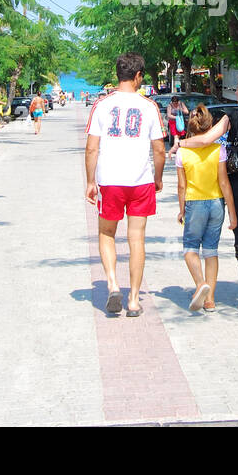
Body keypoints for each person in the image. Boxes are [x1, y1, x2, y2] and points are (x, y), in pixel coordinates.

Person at [85, 52, 165, 317]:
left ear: (117, 73)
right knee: (136, 239)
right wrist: (158, 178)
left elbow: (91, 149)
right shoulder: (149, 106)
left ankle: (112, 284)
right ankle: (133, 300)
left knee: (106, 233)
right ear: (139, 76)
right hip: (140, 181)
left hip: (110, 181)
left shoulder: (102, 106)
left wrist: (90, 181)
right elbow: (160, 150)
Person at [176, 105, 237, 312]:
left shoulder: (183, 152)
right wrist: (232, 213)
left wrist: (182, 209)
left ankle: (201, 283)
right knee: (211, 251)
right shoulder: (219, 150)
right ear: (210, 125)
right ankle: (210, 300)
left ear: (190, 128)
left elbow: (182, 186)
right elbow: (224, 182)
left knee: (190, 248)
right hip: (216, 203)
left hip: (195, 202)